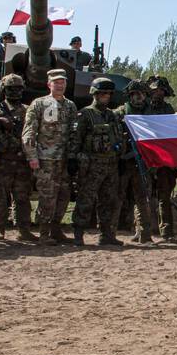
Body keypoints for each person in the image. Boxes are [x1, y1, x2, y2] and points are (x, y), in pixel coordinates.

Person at [22, 68, 78, 246]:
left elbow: (73, 133)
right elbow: (29, 132)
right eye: (56, 82)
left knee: (64, 195)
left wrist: (73, 156)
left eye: (63, 82)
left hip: (64, 159)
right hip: (46, 159)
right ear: (49, 84)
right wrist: (32, 156)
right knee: (47, 196)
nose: (60, 85)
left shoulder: (70, 106)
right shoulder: (39, 104)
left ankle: (56, 229)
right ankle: (44, 233)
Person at [71, 76, 124, 246]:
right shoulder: (85, 115)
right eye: (102, 94)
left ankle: (106, 234)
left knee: (108, 201)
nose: (106, 97)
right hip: (91, 165)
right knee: (85, 200)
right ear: (94, 94)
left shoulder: (112, 115)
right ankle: (78, 234)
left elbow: (117, 138)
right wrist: (73, 159)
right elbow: (75, 139)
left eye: (108, 94)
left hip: (111, 165)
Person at [0, 73, 35, 241]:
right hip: (2, 160)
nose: (14, 92)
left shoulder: (29, 110)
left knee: (22, 198)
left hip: (22, 160)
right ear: (3, 89)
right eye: (10, 89)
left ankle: (24, 230)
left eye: (18, 89)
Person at [115, 80, 155, 242]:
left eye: (142, 94)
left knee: (143, 198)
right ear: (130, 96)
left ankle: (144, 233)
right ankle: (109, 233)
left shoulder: (150, 113)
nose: (138, 97)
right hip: (124, 161)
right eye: (135, 94)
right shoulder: (121, 112)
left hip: (143, 162)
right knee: (117, 197)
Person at [144, 75, 177, 240]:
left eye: (160, 90)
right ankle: (143, 231)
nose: (157, 93)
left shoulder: (168, 109)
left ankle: (167, 232)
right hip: (147, 159)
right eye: (154, 90)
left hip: (164, 160)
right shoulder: (143, 108)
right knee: (144, 196)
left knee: (164, 197)